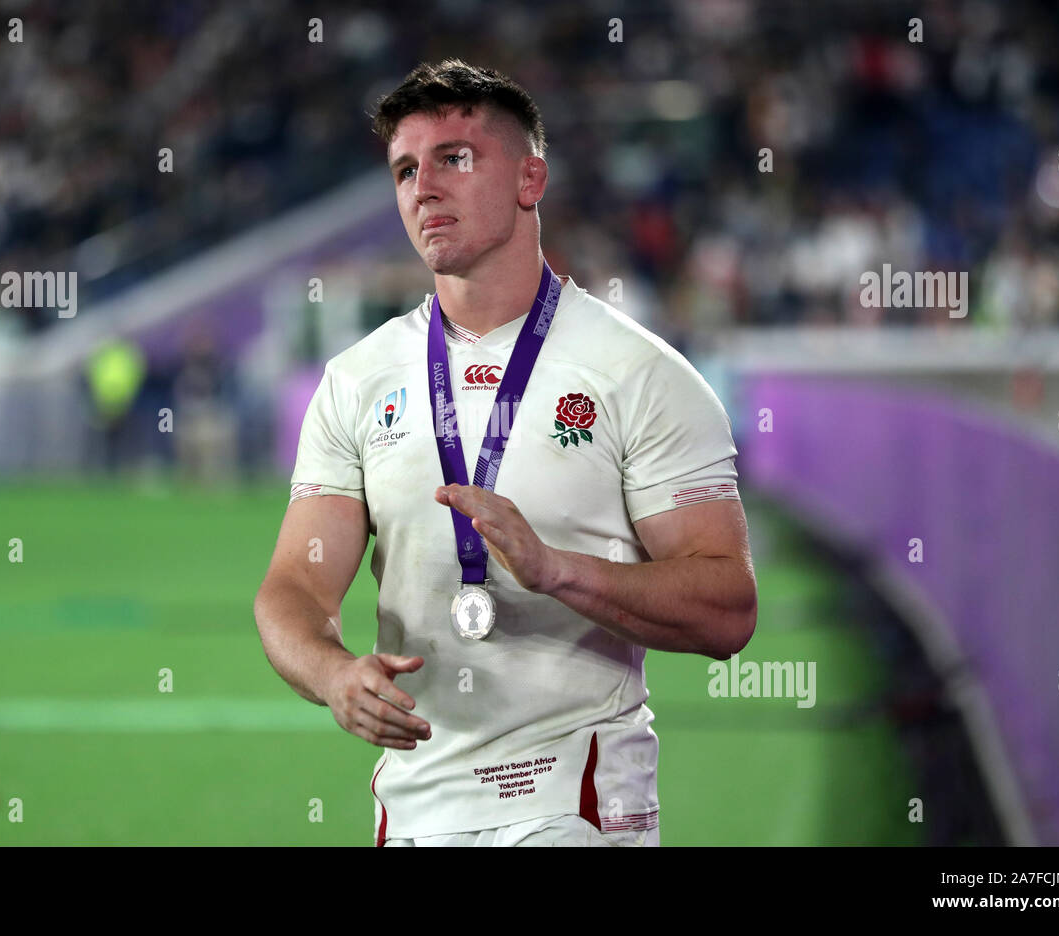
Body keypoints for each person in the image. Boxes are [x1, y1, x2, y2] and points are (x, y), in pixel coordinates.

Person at [254, 59, 757, 847]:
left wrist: (559, 570)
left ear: (531, 179)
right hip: (417, 809)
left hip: (577, 804)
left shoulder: (641, 373)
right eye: (405, 169)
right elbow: (292, 587)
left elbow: (728, 609)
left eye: (455, 158)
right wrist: (332, 673)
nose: (424, 187)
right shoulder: (357, 382)